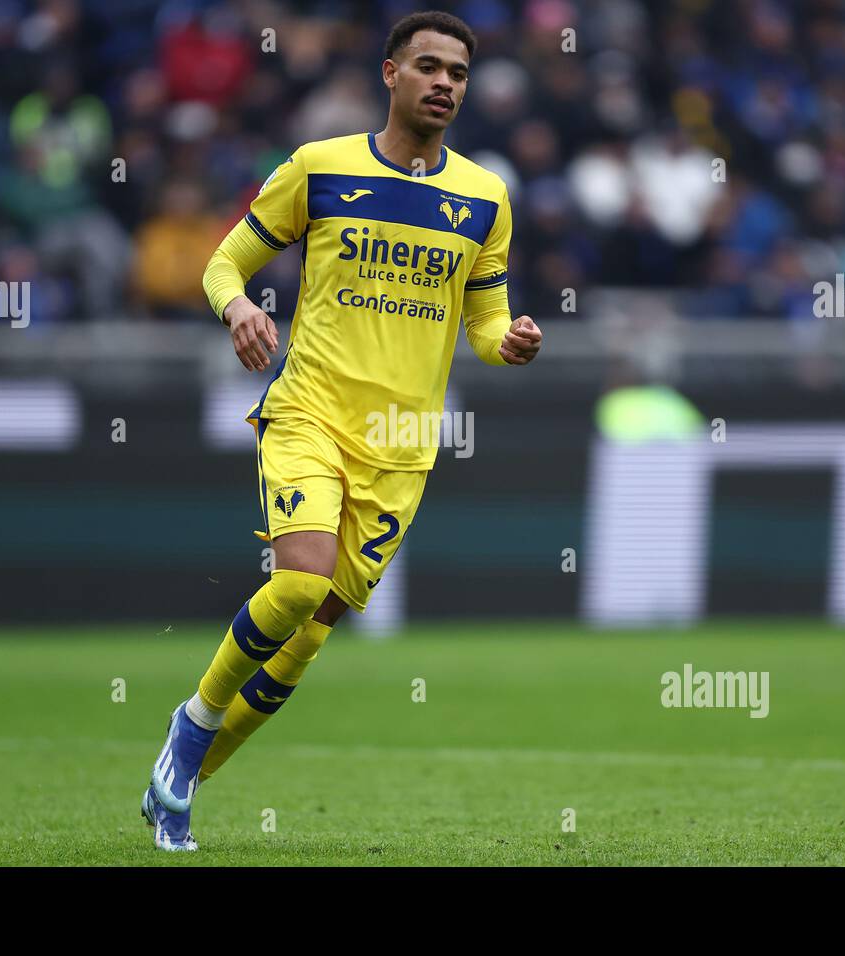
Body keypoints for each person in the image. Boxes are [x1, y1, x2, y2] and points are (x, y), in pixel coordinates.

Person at [141, 10, 543, 851]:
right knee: (295, 584)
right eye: (428, 66)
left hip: (402, 445)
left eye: (458, 73)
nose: (444, 83)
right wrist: (239, 305)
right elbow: (224, 262)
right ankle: (191, 725)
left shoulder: (484, 197)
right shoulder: (319, 169)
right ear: (391, 75)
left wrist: (508, 344)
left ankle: (182, 781)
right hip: (311, 412)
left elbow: (484, 325)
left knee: (306, 641)